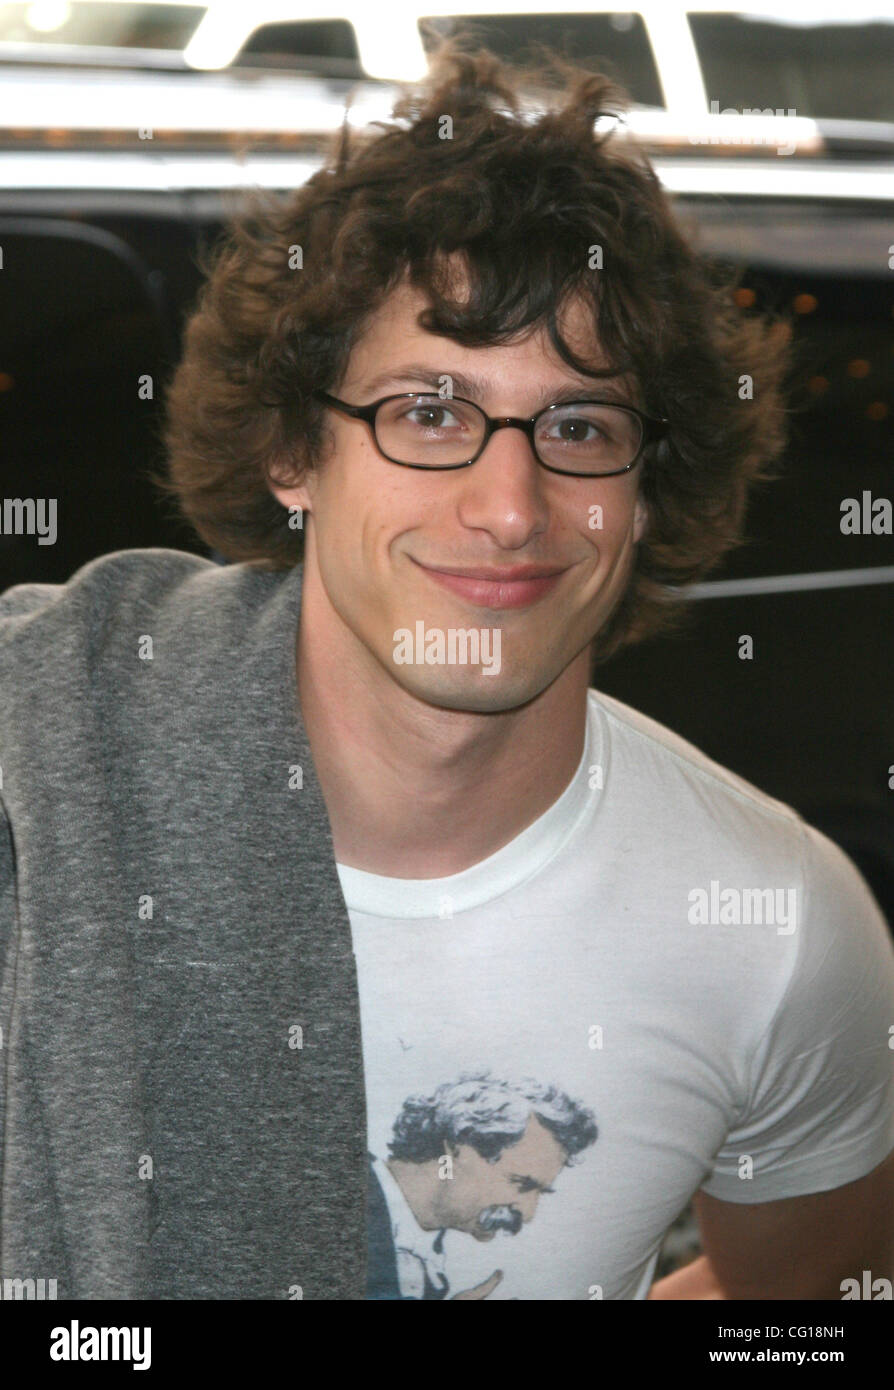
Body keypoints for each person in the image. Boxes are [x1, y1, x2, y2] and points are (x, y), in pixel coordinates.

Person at [1, 42, 892, 1301]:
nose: (511, 506)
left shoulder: (778, 929)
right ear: (293, 453)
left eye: (580, 427)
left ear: (645, 495)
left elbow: (796, 1297)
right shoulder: (39, 777)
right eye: (430, 412)